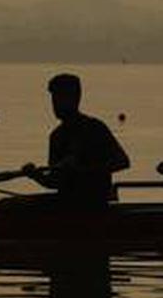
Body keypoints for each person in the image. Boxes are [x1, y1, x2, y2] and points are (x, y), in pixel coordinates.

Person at [19, 73, 130, 209]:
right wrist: (36, 175)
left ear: (75, 99)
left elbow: (123, 162)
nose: (55, 104)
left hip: (93, 204)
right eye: (53, 99)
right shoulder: (56, 136)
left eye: (60, 98)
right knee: (6, 205)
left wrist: (82, 170)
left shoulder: (94, 127)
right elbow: (54, 182)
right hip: (66, 203)